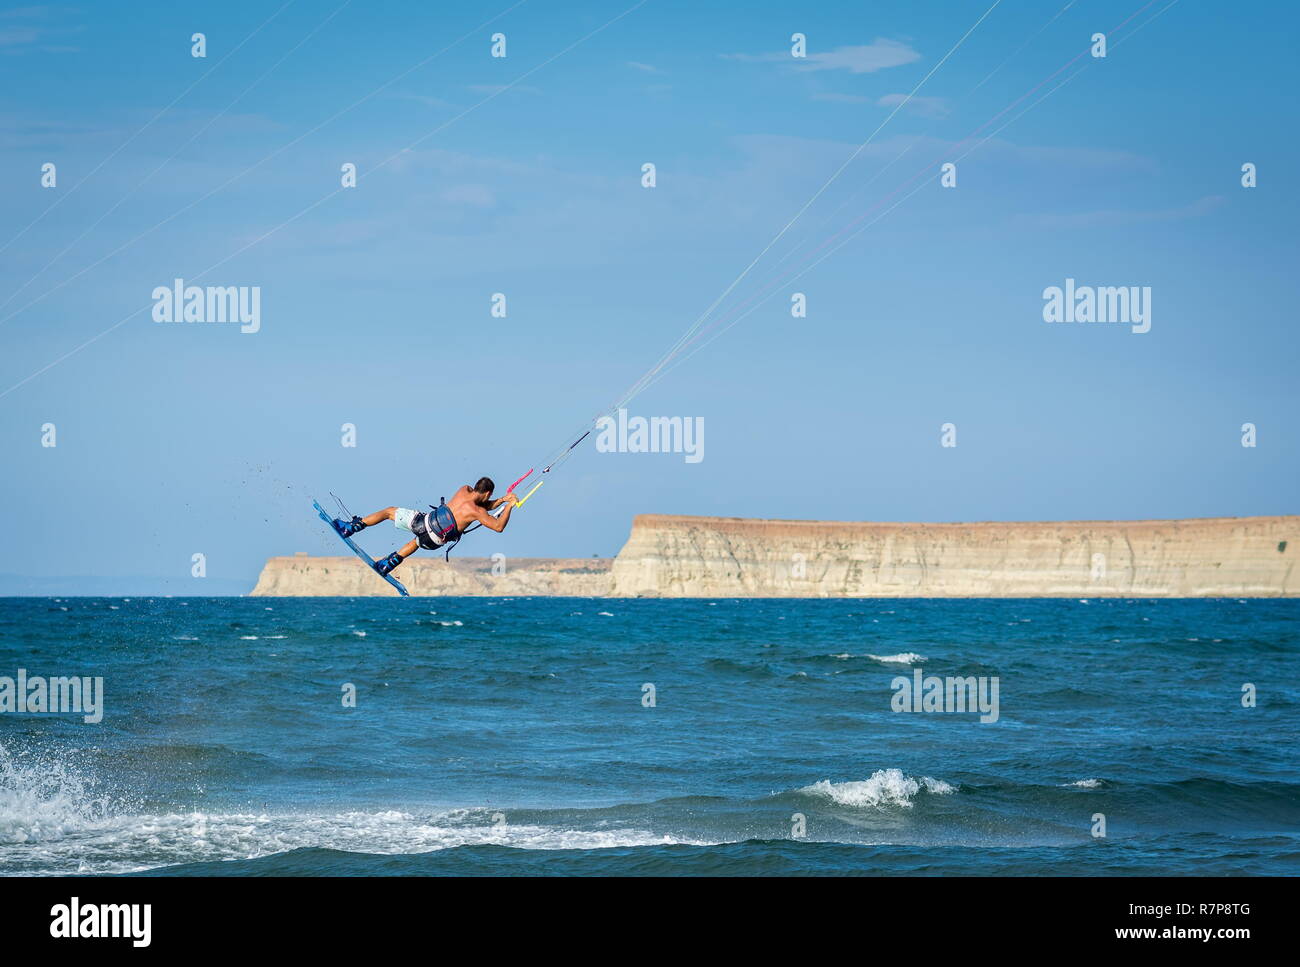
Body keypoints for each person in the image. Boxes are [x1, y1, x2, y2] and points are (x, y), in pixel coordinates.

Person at [330, 476, 518, 574]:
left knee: (389, 512)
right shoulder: (477, 512)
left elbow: (482, 503)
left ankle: (351, 528)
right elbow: (498, 526)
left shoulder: (464, 489)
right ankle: (387, 565)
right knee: (416, 542)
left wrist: (502, 500)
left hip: (423, 522)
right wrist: (509, 505)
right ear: (487, 493)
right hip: (435, 540)